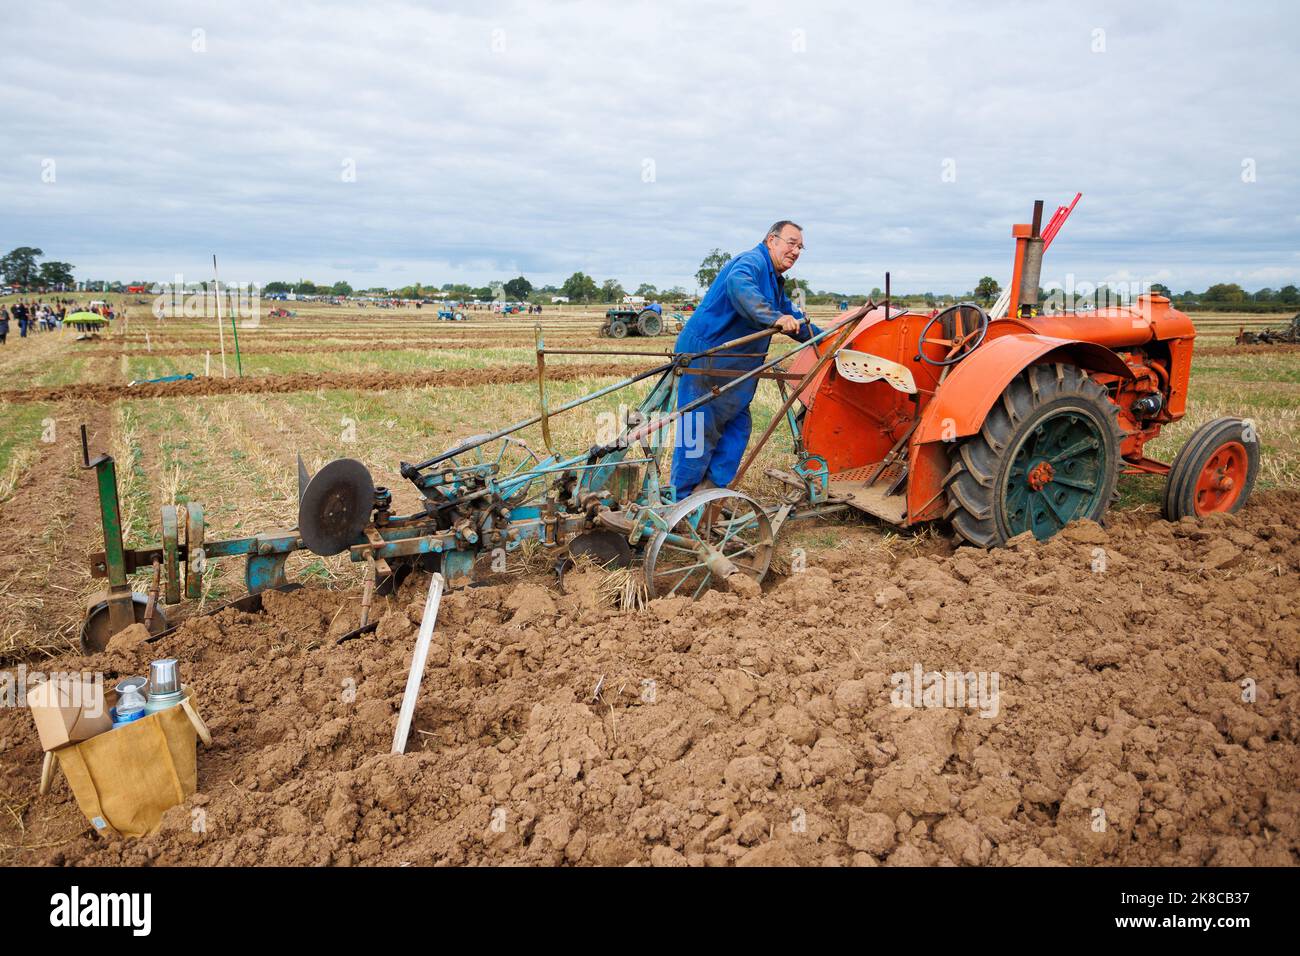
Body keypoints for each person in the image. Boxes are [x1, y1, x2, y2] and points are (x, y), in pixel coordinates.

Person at [670, 220, 822, 496]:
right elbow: (740, 287)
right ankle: (679, 500)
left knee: (737, 429)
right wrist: (776, 318)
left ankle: (709, 494)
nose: (796, 251)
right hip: (707, 358)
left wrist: (827, 338)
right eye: (791, 242)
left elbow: (794, 318)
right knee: (697, 430)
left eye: (801, 247)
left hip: (735, 367)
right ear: (771, 240)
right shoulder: (751, 262)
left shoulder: (774, 281)